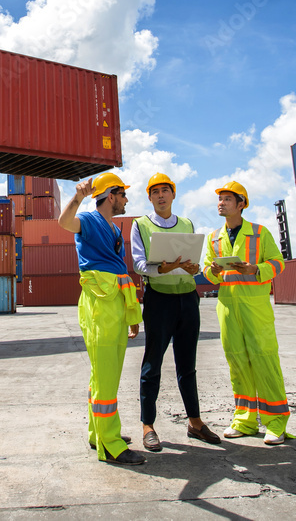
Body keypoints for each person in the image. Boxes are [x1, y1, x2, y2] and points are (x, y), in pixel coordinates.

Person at [58, 172, 145, 466]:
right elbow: (65, 223)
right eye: (123, 195)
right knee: (106, 376)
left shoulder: (113, 228)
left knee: (102, 375)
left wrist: (132, 315)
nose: (127, 200)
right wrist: (78, 197)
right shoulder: (91, 220)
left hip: (114, 306)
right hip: (101, 307)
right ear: (111, 196)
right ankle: (111, 445)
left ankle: (98, 432)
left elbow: (121, 276)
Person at [130, 173, 220, 452]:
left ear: (173, 194)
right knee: (152, 364)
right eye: (155, 191)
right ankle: (148, 425)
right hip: (159, 301)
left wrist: (193, 269)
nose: (160, 195)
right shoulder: (140, 225)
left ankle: (195, 422)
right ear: (149, 197)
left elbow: (192, 260)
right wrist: (162, 269)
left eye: (165, 190)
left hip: (187, 300)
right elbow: (138, 264)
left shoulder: (187, 223)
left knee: (187, 366)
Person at [202, 180, 290, 445]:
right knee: (237, 364)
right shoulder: (213, 237)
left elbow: (278, 263)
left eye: (227, 199)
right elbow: (206, 270)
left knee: (265, 362)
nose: (221, 203)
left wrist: (256, 270)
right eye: (220, 199)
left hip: (255, 309)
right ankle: (245, 419)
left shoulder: (260, 233)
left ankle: (276, 423)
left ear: (241, 204)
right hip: (228, 309)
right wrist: (212, 272)